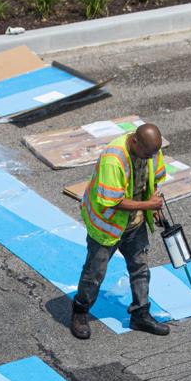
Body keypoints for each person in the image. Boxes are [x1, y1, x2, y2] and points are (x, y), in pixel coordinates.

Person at [71, 123, 171, 340]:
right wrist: (147, 206)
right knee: (94, 273)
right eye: (145, 154)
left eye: (152, 154)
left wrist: (153, 201)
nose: (148, 158)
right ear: (135, 141)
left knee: (140, 267)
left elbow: (154, 179)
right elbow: (112, 201)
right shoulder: (113, 159)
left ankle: (140, 314)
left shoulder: (151, 150)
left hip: (134, 223)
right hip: (107, 225)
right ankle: (80, 312)